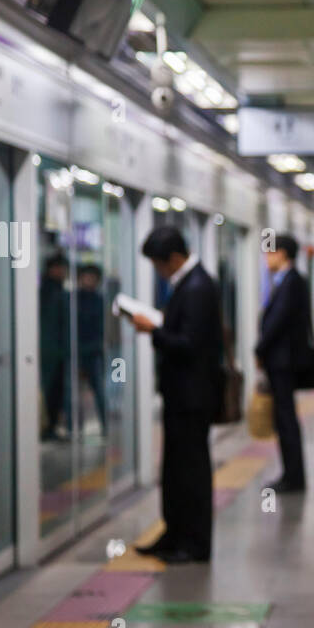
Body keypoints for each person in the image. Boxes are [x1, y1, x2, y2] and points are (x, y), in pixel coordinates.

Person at [129, 226, 223, 564]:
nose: (158, 271)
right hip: (181, 394)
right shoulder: (189, 283)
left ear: (174, 258)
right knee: (174, 470)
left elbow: (190, 345)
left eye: (158, 264)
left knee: (192, 471)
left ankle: (195, 543)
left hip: (192, 396)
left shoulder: (197, 286)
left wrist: (153, 329)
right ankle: (174, 533)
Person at [256, 233, 311, 492]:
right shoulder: (286, 281)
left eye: (270, 252)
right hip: (281, 360)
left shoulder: (291, 282)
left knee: (286, 418)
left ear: (283, 254)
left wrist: (260, 349)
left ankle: (293, 476)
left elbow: (278, 322)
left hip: (283, 362)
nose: (267, 258)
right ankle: (291, 473)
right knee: (284, 417)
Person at [38, 252, 70, 440]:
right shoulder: (49, 293)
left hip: (58, 351)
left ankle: (51, 426)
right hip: (51, 352)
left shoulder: (57, 290)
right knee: (50, 391)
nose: (63, 272)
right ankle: (47, 427)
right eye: (60, 268)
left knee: (57, 391)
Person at [75, 262, 107, 435]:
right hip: (75, 351)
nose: (89, 281)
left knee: (99, 391)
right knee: (74, 394)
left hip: (94, 352)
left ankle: (105, 425)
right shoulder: (73, 300)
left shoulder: (99, 300)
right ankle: (75, 428)